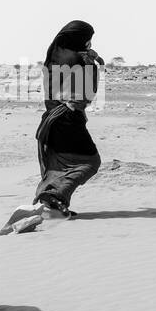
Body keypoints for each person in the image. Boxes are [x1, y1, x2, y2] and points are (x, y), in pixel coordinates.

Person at [33, 20, 104, 218]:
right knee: (89, 161)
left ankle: (53, 202)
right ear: (80, 39)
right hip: (68, 117)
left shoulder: (55, 55)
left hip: (53, 118)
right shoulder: (78, 59)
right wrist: (92, 62)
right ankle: (54, 197)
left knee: (60, 161)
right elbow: (86, 92)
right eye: (88, 39)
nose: (89, 43)